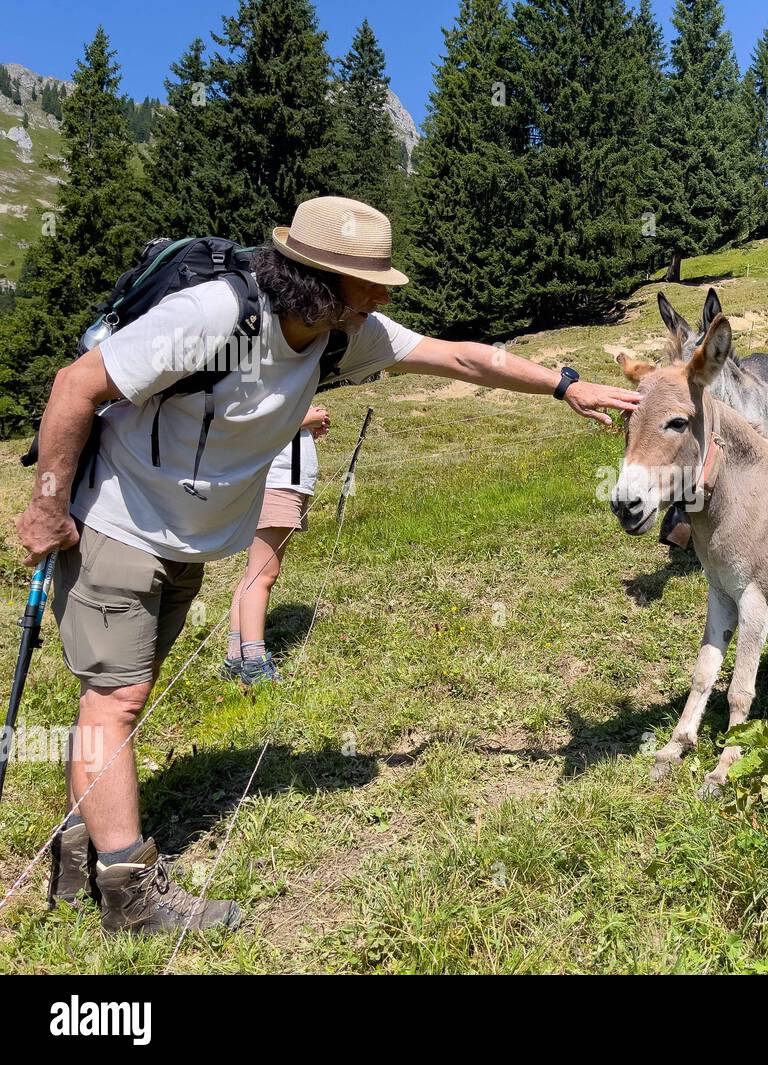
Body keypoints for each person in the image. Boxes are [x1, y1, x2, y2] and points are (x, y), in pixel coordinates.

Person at [16, 196, 640, 934]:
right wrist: (48, 507)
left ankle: (79, 851)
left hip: (185, 538)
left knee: (118, 700)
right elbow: (75, 385)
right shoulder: (216, 315)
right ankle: (131, 895)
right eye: (371, 280)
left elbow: (460, 356)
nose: (383, 293)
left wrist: (566, 384)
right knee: (115, 698)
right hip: (116, 519)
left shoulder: (345, 334)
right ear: (318, 280)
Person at [220, 404, 330, 685]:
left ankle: (236, 657)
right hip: (277, 484)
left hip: (283, 482)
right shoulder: (267, 382)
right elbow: (260, 421)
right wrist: (306, 417)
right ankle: (254, 663)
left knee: (253, 573)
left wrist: (304, 428)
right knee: (263, 575)